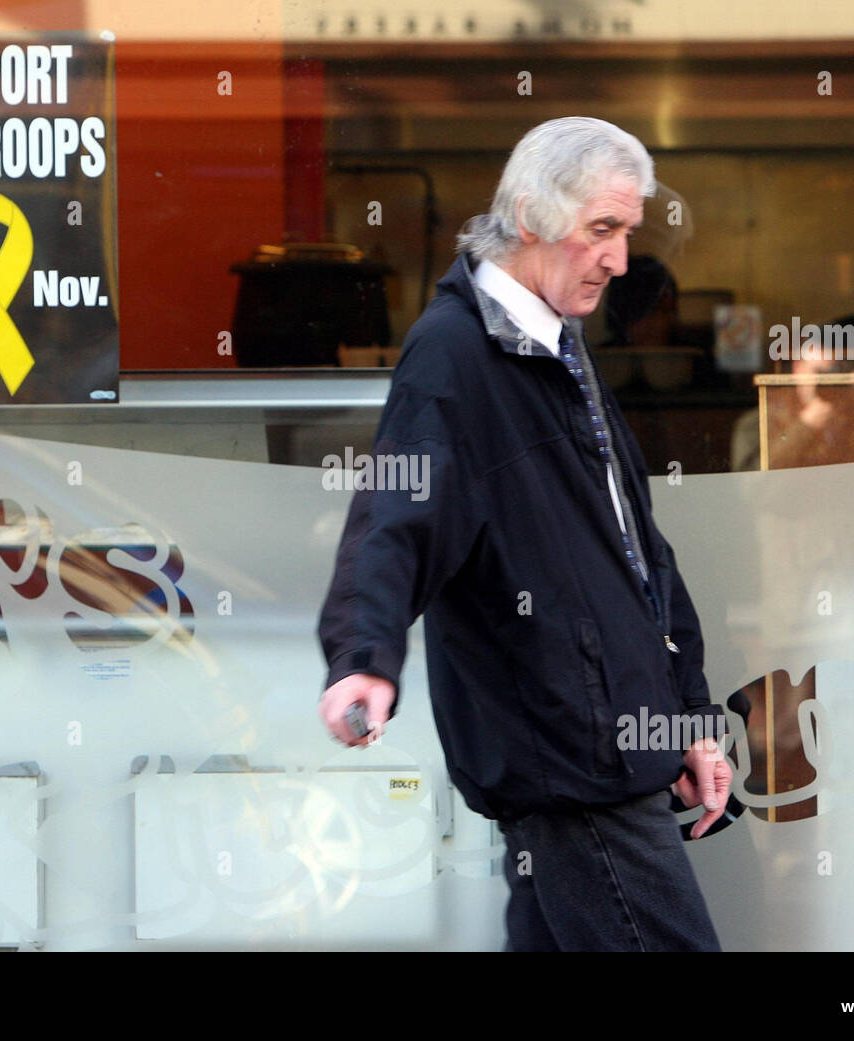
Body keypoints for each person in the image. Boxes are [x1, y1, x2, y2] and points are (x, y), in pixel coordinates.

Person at [315, 117, 731, 952]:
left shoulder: (553, 339)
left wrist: (683, 715)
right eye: (602, 230)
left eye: (626, 232)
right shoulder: (456, 353)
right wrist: (364, 654)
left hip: (604, 741)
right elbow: (395, 514)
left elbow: (634, 549)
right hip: (571, 756)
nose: (619, 260)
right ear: (534, 217)